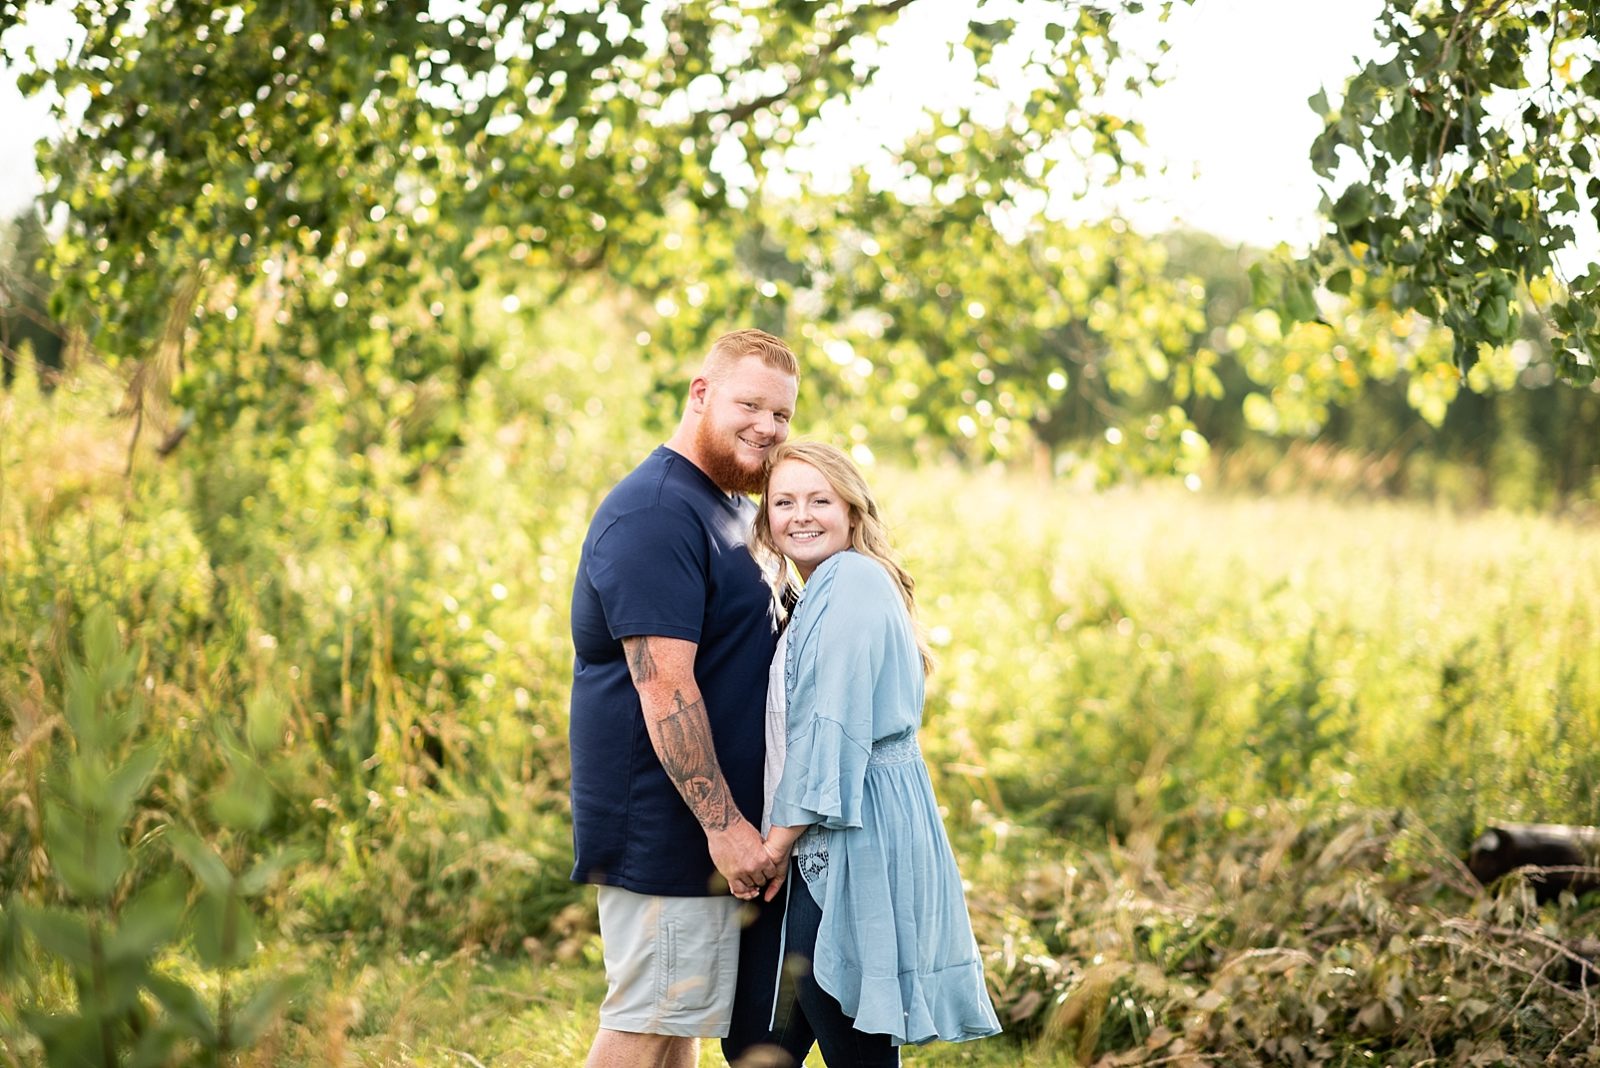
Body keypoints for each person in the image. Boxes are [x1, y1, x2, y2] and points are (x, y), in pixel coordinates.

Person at [724, 441, 1002, 1066]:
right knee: (765, 1043)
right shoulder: (819, 589)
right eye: (784, 501)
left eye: (819, 500)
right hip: (830, 826)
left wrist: (772, 848)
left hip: (854, 832)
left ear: (852, 511)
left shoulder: (849, 582)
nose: (801, 515)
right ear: (765, 517)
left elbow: (833, 730)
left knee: (850, 1041)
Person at [568, 329, 800, 1068]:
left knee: (679, 1024)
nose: (768, 427)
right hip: (665, 826)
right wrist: (724, 824)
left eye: (783, 416)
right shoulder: (657, 512)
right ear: (701, 394)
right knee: (645, 1020)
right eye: (750, 405)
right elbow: (663, 683)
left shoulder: (725, 507)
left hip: (705, 829)